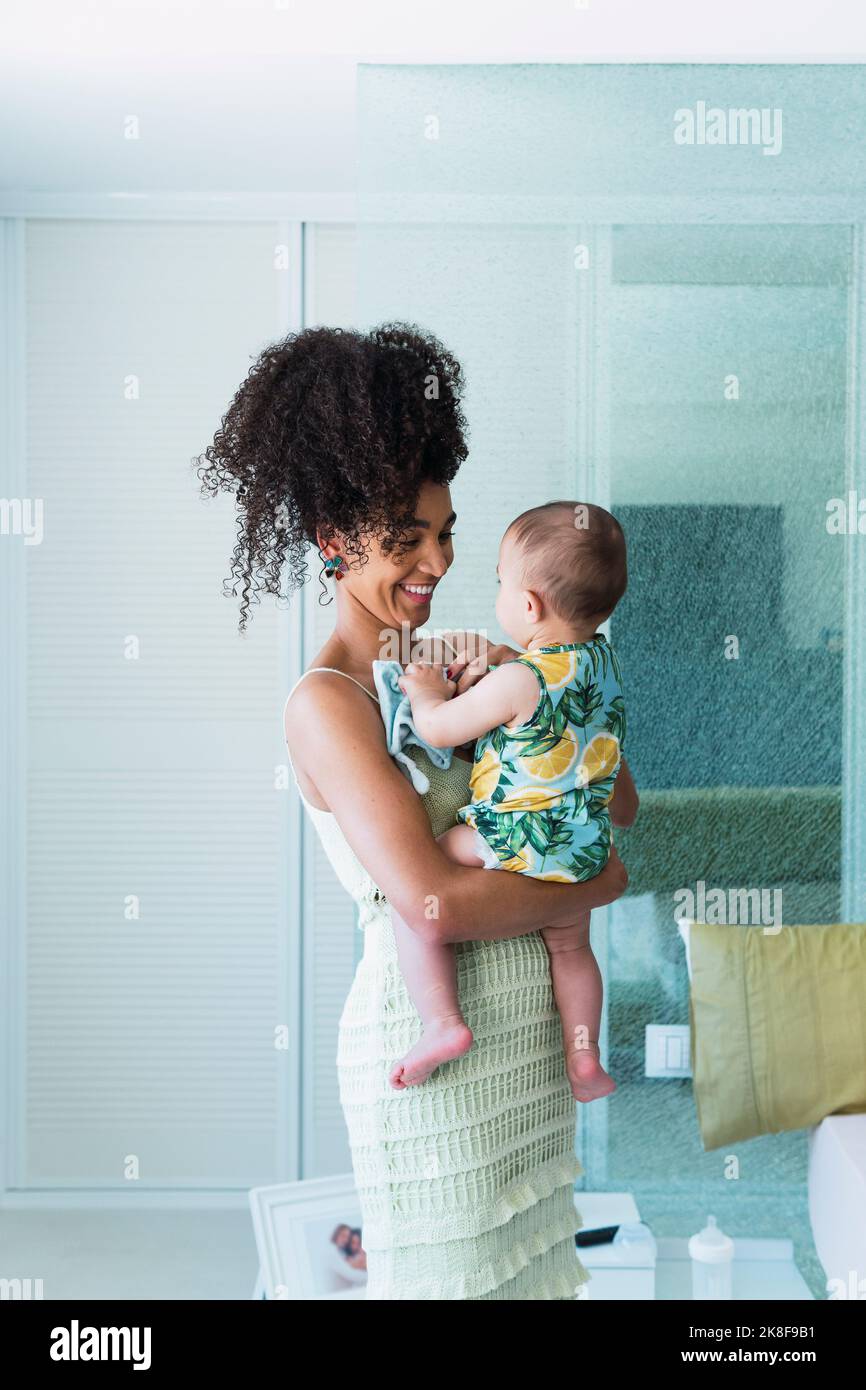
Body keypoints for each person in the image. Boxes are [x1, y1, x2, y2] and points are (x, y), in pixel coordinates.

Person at [197, 322, 628, 1301]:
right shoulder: (327, 704)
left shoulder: (445, 664)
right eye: (406, 539)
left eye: (445, 532)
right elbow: (430, 903)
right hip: (437, 1055)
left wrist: (526, 692)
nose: (435, 561)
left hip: (524, 1047)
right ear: (334, 543)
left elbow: (573, 791)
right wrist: (594, 882)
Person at [390, 500, 639, 1101]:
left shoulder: (517, 681)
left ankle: (442, 1022)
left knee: (415, 888)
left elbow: (443, 730)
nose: (498, 594)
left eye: (501, 582)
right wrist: (511, 658)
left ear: (528, 606)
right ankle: (584, 1056)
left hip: (516, 839)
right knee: (572, 947)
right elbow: (563, 702)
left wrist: (425, 692)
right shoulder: (601, 663)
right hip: (581, 847)